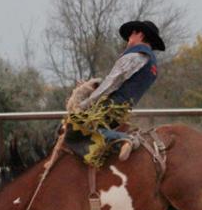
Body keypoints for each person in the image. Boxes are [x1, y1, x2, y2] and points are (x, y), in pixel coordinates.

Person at [67, 20, 165, 164]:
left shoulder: (134, 56)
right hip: (123, 110)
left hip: (110, 106)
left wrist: (85, 103)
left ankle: (126, 139)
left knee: (75, 129)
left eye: (132, 33)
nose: (129, 38)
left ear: (140, 34)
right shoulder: (152, 64)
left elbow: (111, 83)